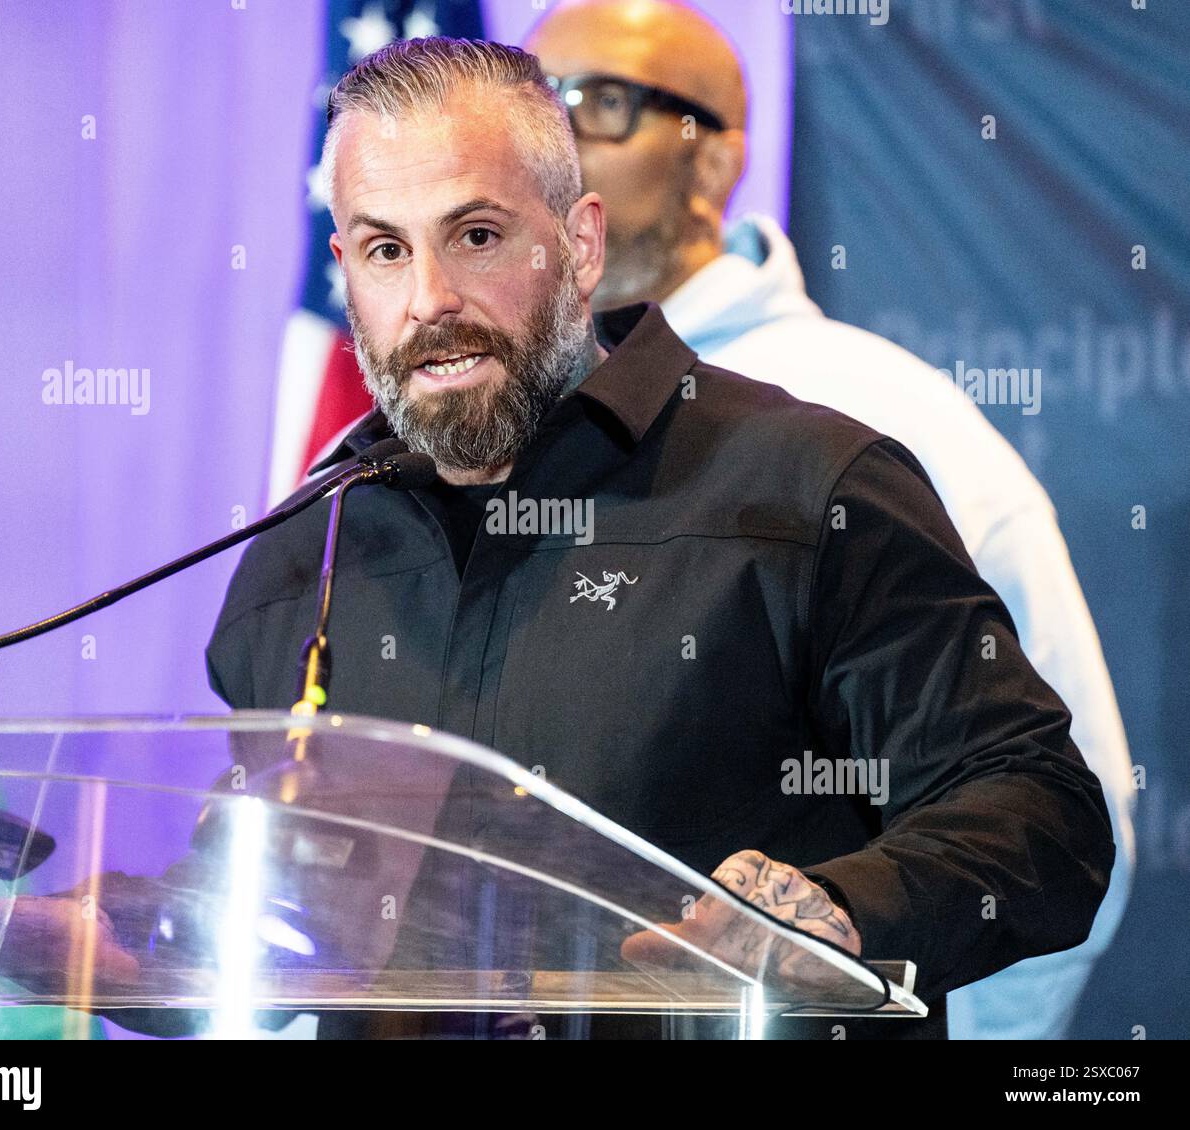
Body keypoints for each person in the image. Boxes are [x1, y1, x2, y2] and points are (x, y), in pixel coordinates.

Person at [206, 36, 1114, 1039]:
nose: (428, 300)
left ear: (580, 245)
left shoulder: (808, 487)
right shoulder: (307, 554)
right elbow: (263, 895)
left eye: (475, 236)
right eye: (385, 249)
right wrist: (118, 934)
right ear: (344, 269)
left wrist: (837, 912)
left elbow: (1044, 813)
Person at [527, 0, 1134, 1041]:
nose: (553, 145)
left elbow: (1052, 821)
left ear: (712, 162)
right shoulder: (467, 438)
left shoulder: (874, 419)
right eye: (532, 108)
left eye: (596, 102)